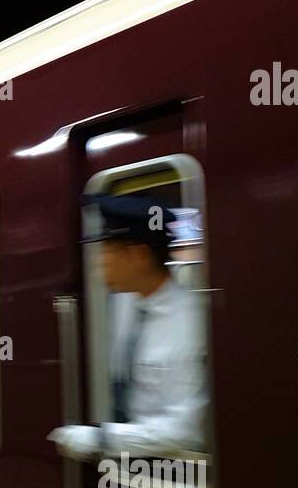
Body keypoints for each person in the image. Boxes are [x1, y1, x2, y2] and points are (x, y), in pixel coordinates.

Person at [47, 195, 208, 461]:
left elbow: (185, 429)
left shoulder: (191, 321)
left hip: (170, 467)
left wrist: (102, 439)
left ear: (139, 255)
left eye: (107, 251)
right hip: (126, 461)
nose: (100, 262)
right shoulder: (125, 303)